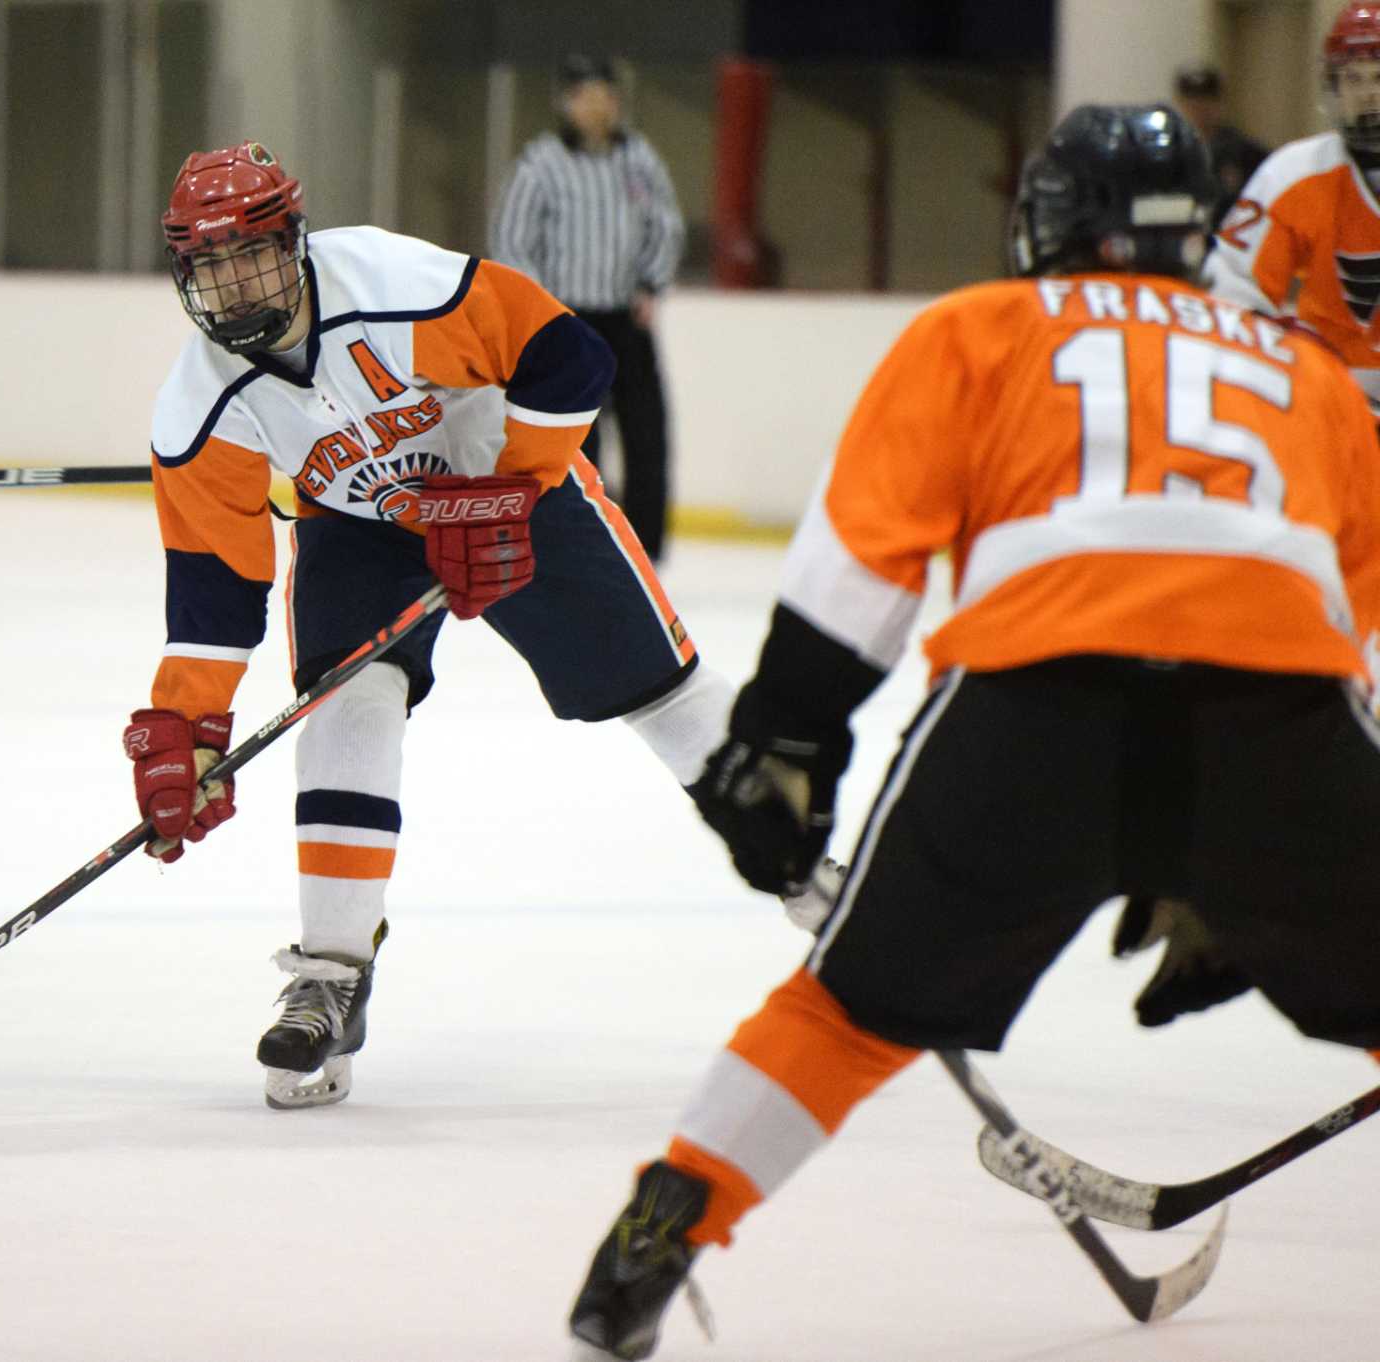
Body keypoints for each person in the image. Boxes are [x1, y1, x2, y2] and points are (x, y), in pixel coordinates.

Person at [567, 103, 1380, 1359]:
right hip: (1272, 713)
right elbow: (1359, 628)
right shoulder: (1308, 378)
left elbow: (858, 568)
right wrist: (1273, 854)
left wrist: (785, 744)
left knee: (845, 1013)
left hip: (1034, 706)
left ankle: (663, 1226)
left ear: (1045, 220)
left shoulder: (977, 327)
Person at [124, 142, 739, 1111]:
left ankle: (806, 873)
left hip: (507, 482)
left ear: (294, 242)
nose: (231, 284)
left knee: (660, 695)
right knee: (343, 702)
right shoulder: (198, 405)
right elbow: (211, 593)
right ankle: (329, 972)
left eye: (248, 255)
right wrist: (184, 728)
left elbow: (570, 356)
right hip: (361, 528)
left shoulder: (394, 282)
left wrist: (511, 488)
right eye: (207, 265)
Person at [492, 53, 684, 562]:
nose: (598, 107)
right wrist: (540, 309)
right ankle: (585, 535)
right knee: (576, 437)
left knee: (647, 434)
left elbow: (665, 224)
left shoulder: (638, 159)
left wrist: (651, 283)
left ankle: (645, 545)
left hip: (626, 317)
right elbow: (512, 239)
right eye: (587, 96)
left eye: (606, 95)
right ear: (567, 103)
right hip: (568, 322)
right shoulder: (541, 164)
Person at [1207, 2, 1380, 414]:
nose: (1367, 94)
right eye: (1352, 79)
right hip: (1327, 401)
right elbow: (1232, 289)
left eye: (1378, 77)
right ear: (1334, 88)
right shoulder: (1294, 174)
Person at [1172, 63, 1268, 223]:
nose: (1199, 110)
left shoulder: (1245, 152)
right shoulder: (1171, 153)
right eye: (1192, 103)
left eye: (1206, 102)